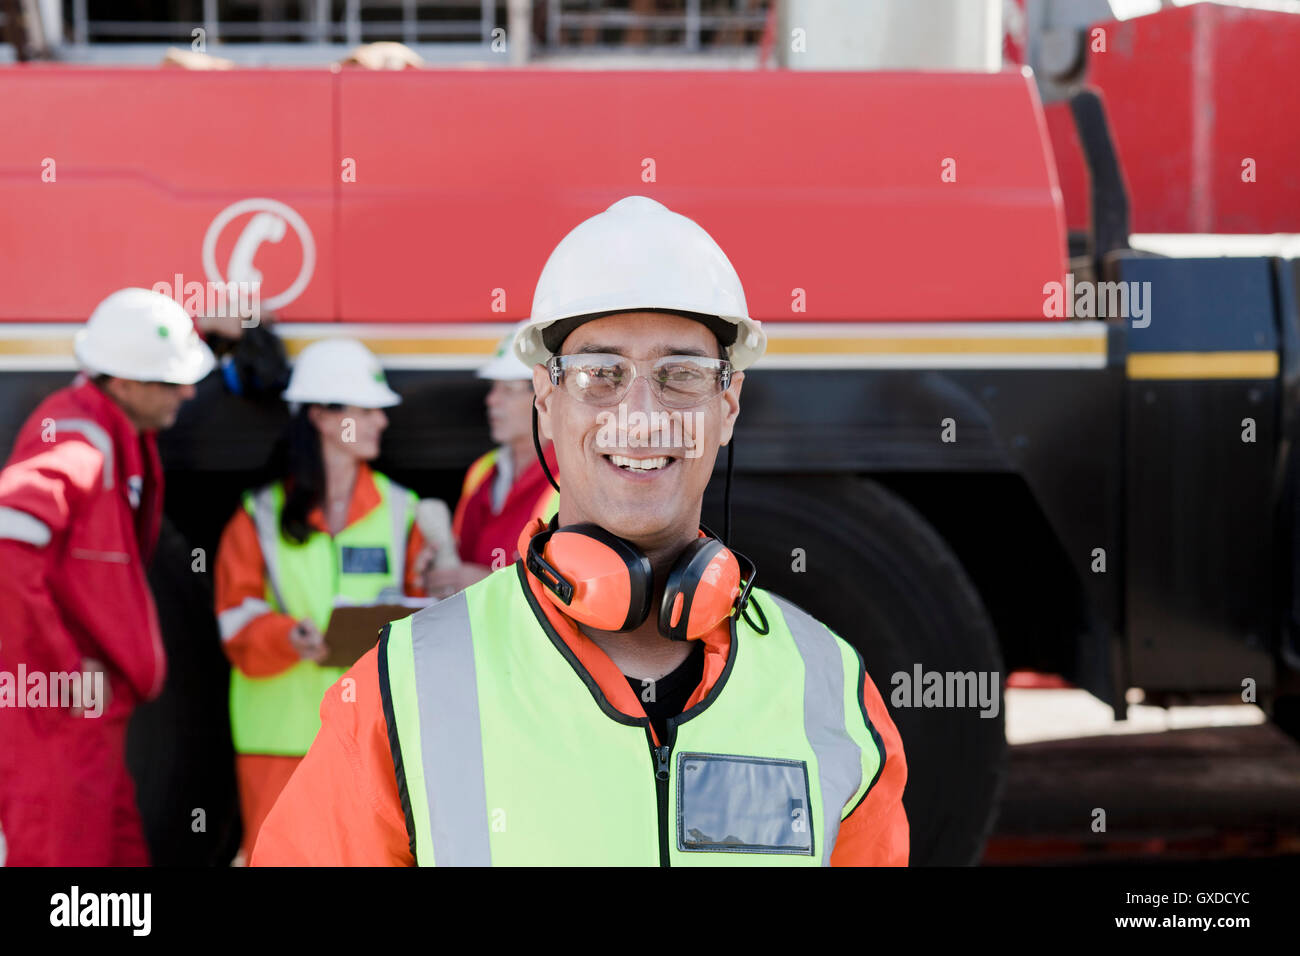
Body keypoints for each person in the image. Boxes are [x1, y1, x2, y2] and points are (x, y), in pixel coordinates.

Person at [252, 196, 908, 866]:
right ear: (545, 397)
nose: (642, 414)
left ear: (728, 406)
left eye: (681, 375)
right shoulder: (403, 692)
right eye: (601, 374)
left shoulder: (832, 691)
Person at [0, 287, 214, 865]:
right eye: (171, 382)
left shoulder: (108, 429)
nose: (188, 393)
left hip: (85, 721)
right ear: (122, 384)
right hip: (60, 721)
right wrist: (59, 668)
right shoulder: (80, 438)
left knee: (114, 873)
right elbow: (9, 534)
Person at [214, 338, 432, 862]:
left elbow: (427, 623)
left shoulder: (404, 510)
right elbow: (233, 618)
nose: (381, 423)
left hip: (371, 740)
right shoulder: (259, 513)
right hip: (277, 739)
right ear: (322, 417)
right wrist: (287, 637)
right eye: (368, 411)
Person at [428, 321, 560, 597]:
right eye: (493, 388)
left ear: (544, 394)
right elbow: (461, 553)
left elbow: (573, 590)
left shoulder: (571, 476)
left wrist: (488, 583)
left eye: (507, 390)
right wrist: (436, 566)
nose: (491, 400)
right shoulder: (482, 471)